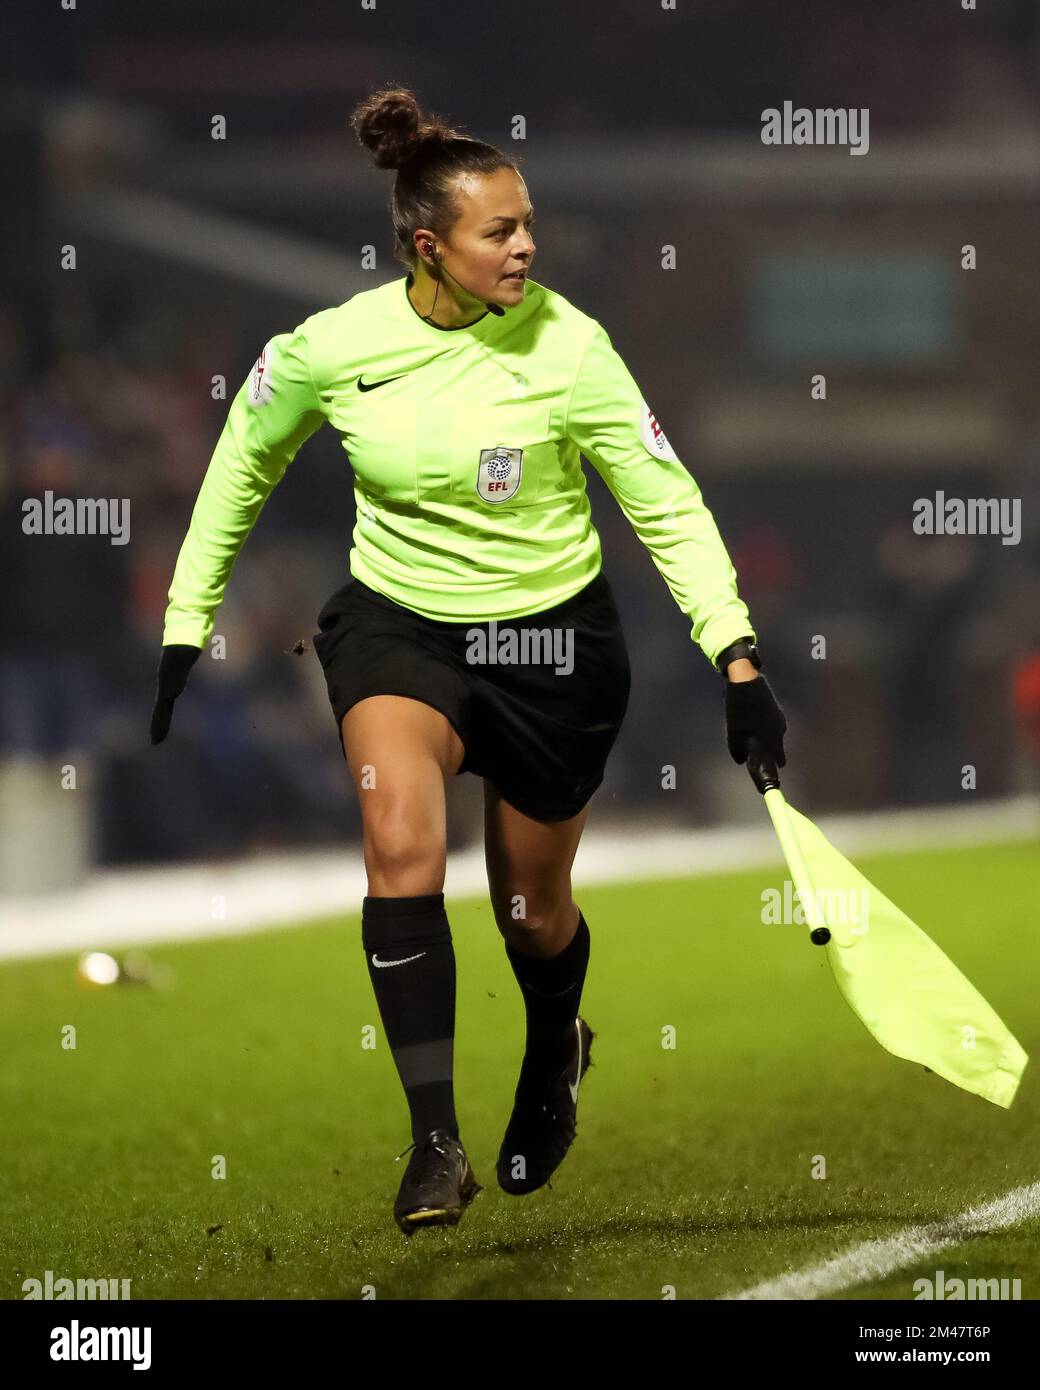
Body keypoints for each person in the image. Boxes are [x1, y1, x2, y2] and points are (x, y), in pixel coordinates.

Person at [149, 86, 787, 1235]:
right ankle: (432, 1138)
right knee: (400, 846)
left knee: (529, 909)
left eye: (527, 221)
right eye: (500, 230)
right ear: (425, 244)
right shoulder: (330, 349)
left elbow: (666, 506)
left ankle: (556, 1052)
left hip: (552, 644)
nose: (526, 245)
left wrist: (734, 655)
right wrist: (186, 621)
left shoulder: (570, 345)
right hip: (402, 625)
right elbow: (237, 469)